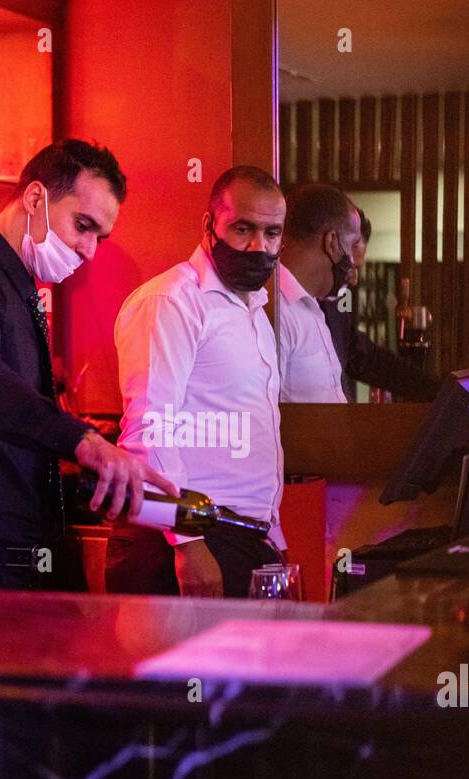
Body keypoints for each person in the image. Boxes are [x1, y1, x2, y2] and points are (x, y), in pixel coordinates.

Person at [0, 139, 177, 589]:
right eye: (83, 226)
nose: (89, 250)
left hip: (8, 560)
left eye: (99, 236)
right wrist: (82, 440)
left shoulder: (15, 287)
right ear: (36, 198)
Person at [107, 166, 289, 599]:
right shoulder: (170, 300)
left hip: (244, 539)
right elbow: (150, 430)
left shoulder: (253, 311)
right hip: (181, 543)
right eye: (243, 228)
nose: (257, 246)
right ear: (210, 225)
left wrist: (274, 539)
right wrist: (189, 546)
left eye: (272, 233)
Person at [321, 206, 440, 402]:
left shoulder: (333, 308)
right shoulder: (275, 306)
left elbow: (370, 360)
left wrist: (441, 392)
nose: (354, 280)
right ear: (331, 243)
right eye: (351, 266)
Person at [275, 183, 360, 403]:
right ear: (332, 242)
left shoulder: (313, 307)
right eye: (352, 245)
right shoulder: (274, 311)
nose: (354, 263)